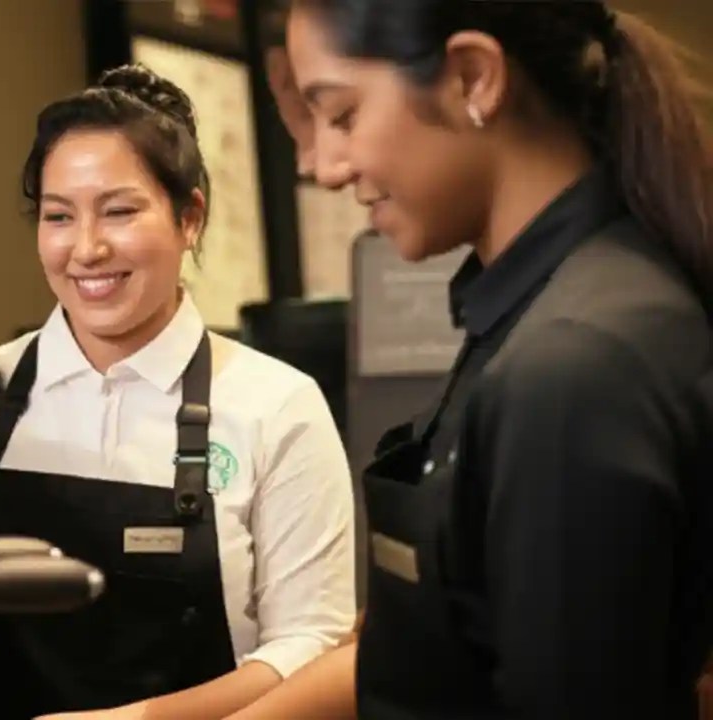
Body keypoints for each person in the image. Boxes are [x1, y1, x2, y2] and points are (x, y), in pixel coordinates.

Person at [0, 64, 357, 720]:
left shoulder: (277, 407)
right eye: (59, 216)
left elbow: (308, 649)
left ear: (190, 217)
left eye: (120, 212)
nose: (87, 248)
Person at [224, 1, 713, 719]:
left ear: (474, 78)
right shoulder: (543, 312)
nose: (321, 167)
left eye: (343, 115)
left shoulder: (574, 366)